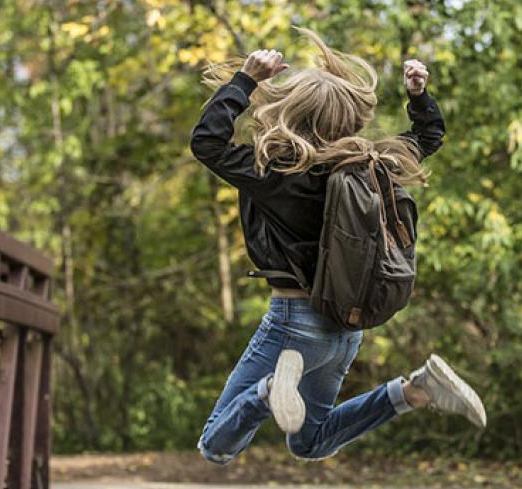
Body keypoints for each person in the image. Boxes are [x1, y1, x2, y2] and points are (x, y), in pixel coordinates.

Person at [190, 28, 485, 465]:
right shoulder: (371, 165)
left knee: (215, 445)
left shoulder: (272, 172)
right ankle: (415, 390)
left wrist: (246, 79)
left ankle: (269, 392)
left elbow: (207, 142)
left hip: (293, 325)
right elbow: (428, 138)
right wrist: (418, 97)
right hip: (345, 328)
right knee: (310, 442)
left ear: (291, 110)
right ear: (346, 118)